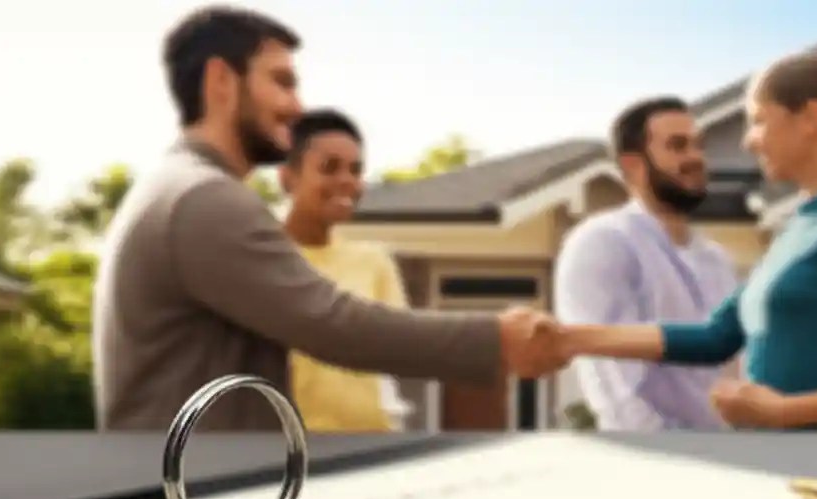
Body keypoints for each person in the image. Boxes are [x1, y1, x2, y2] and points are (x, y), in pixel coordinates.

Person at [92, 6, 565, 430]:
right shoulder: (202, 198)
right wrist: (497, 338)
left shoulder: (177, 186)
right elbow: (338, 326)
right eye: (281, 81)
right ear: (221, 82)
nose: (296, 106)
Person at [554, 53, 817, 430]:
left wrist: (786, 411)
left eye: (759, 121)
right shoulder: (799, 229)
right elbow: (715, 336)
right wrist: (570, 339)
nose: (749, 140)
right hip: (779, 471)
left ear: (809, 117)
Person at [554, 97, 741, 431]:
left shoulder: (717, 260)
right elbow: (617, 384)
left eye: (698, 146)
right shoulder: (603, 242)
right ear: (633, 165)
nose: (695, 158)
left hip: (733, 457)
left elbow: (735, 369)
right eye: (677, 146)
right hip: (652, 460)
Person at [277, 109, 412, 433]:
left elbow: (401, 350)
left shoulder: (374, 262)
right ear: (287, 177)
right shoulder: (256, 259)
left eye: (355, 169)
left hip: (370, 446)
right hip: (286, 453)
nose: (347, 181)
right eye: (329, 168)